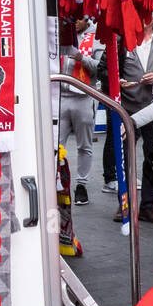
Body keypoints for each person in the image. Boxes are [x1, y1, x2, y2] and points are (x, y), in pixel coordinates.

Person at [118, 16, 153, 224]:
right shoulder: (124, 40)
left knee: (151, 158)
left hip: (151, 108)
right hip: (127, 107)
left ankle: (147, 205)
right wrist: (116, 81)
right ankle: (125, 204)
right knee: (125, 159)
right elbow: (105, 67)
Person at [59, 17, 103, 204]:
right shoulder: (61, 32)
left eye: (78, 18)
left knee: (84, 146)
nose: (74, 22)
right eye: (71, 18)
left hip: (84, 97)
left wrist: (81, 57)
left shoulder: (96, 37)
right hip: (61, 97)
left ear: (88, 18)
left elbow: (99, 68)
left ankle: (81, 186)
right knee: (55, 145)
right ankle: (57, 182)